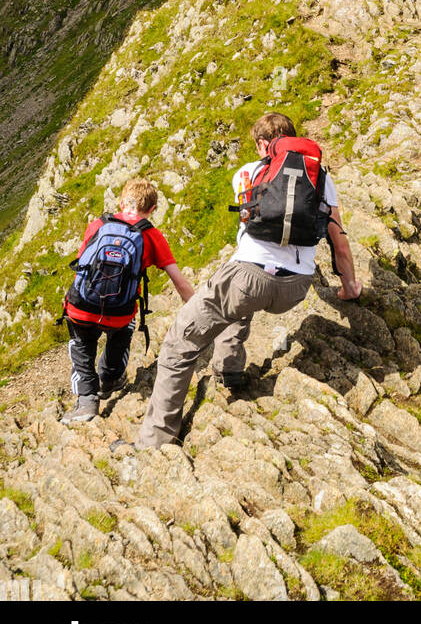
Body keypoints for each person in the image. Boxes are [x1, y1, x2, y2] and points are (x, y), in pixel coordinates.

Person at [136, 111, 361, 449]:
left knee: (181, 341)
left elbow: (249, 228)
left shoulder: (246, 173)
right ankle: (230, 369)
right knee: (240, 295)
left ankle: (153, 441)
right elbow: (339, 242)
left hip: (249, 278)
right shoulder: (321, 180)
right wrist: (350, 287)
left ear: (261, 145)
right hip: (296, 286)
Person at [61, 178, 194, 425]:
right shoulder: (151, 234)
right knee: (125, 328)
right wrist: (201, 308)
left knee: (81, 345)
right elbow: (179, 281)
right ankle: (111, 379)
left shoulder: (98, 224)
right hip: (119, 313)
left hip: (81, 307)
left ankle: (87, 401)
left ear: (121, 201)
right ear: (152, 209)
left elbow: (81, 261)